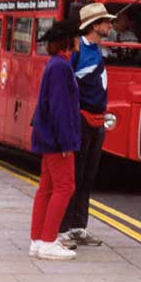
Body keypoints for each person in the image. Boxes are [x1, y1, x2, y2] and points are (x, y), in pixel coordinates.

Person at [58, 2, 115, 247]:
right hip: (81, 118)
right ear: (95, 25)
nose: (110, 25)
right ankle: (63, 229)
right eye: (106, 22)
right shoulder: (78, 49)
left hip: (97, 120)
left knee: (89, 176)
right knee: (74, 175)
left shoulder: (97, 50)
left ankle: (79, 227)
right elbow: (64, 86)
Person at [29, 19, 81, 261]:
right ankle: (49, 241)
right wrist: (66, 142)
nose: (79, 41)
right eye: (76, 38)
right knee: (64, 187)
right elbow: (60, 108)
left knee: (46, 188)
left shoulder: (55, 64)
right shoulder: (61, 67)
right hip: (57, 139)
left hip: (47, 136)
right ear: (68, 42)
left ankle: (38, 240)